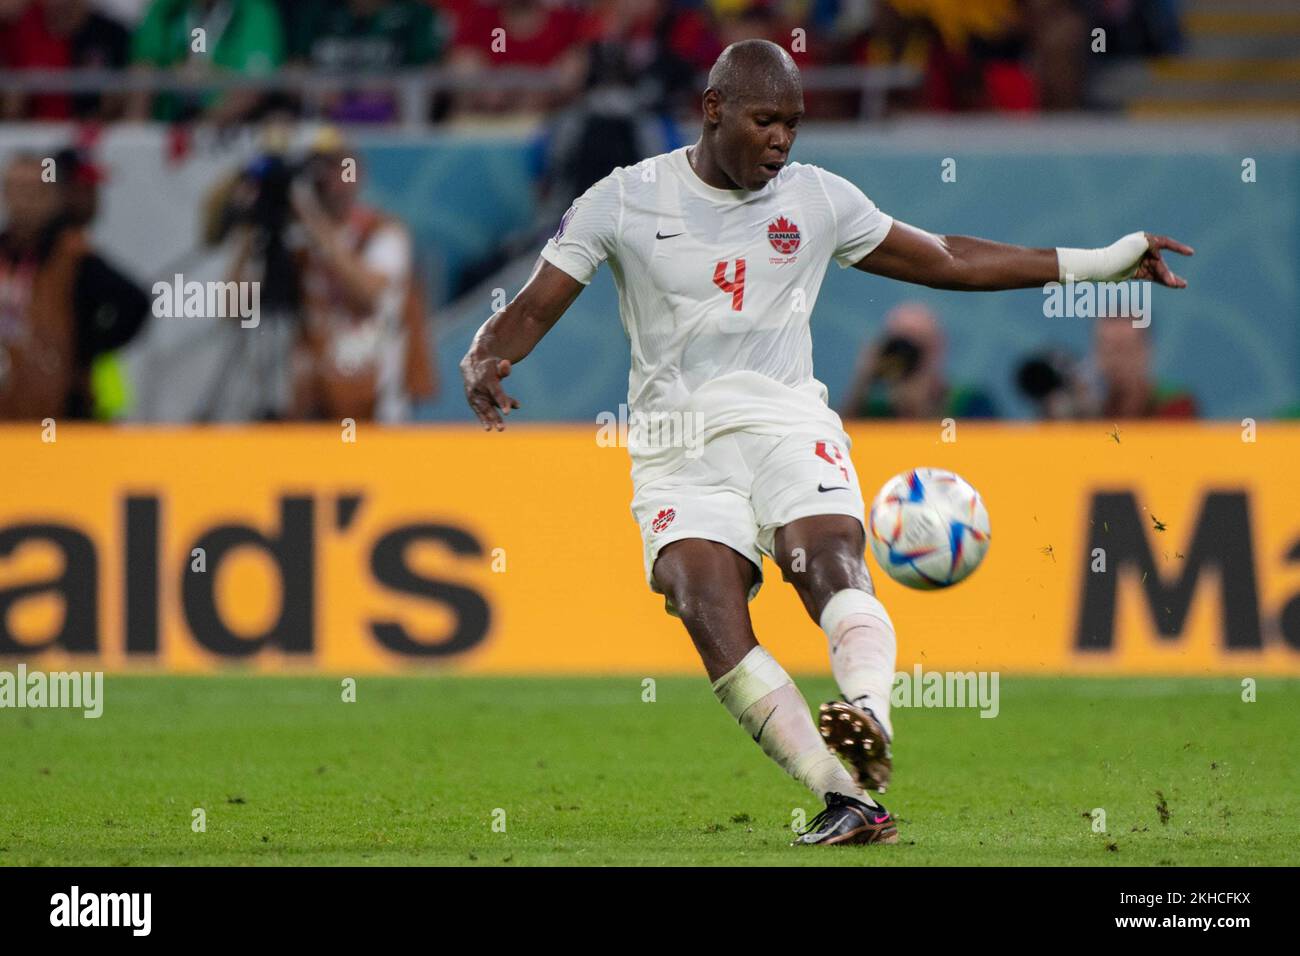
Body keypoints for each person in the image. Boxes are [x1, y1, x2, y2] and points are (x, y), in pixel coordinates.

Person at [459, 39, 1192, 847]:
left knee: (829, 564)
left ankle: (868, 716)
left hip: (786, 424)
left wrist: (1102, 263)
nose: (782, 140)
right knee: (701, 600)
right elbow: (534, 303)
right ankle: (846, 795)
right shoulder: (625, 199)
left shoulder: (817, 201)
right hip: (677, 448)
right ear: (713, 109)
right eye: (766, 120)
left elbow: (949, 258)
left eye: (794, 125)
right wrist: (487, 352)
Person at [0, 151, 149, 420]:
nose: (23, 200)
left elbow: (134, 302)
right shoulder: (6, 251)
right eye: (15, 189)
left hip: (61, 407)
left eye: (33, 191)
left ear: (53, 197)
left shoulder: (72, 256)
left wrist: (84, 347)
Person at [840, 302, 998, 419]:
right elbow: (841, 446)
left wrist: (921, 406)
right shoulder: (876, 409)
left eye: (918, 344)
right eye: (898, 344)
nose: (906, 354)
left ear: (938, 349)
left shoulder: (969, 403)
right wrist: (863, 381)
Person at [1091, 314, 1197, 419]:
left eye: (1126, 349)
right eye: (1109, 350)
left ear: (1146, 351)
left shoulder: (1175, 405)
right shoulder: (1086, 410)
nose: (1117, 361)